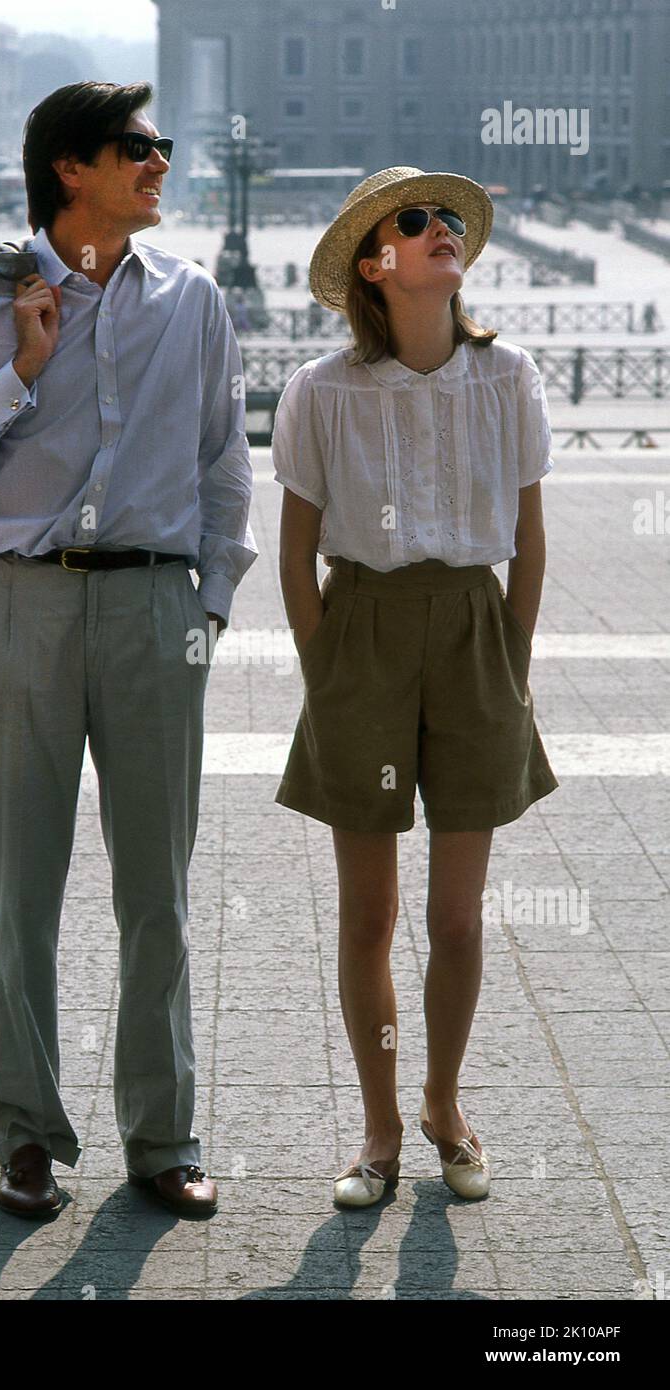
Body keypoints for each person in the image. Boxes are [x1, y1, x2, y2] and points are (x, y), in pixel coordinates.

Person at [0, 81, 257, 1219]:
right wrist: (20, 375)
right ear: (70, 169)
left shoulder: (191, 299)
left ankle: (163, 1135)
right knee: (22, 892)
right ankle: (27, 1137)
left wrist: (208, 605)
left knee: (160, 890)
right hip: (20, 608)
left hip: (154, 610)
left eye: (157, 146)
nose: (158, 162)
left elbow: (221, 461)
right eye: (135, 148)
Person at [271, 166, 558, 1207]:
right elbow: (294, 552)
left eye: (446, 220)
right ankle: (380, 1129)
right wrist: (328, 672)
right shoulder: (319, 389)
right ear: (372, 263)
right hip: (364, 631)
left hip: (474, 630)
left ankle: (443, 1104)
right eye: (412, 221)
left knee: (457, 918)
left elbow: (527, 542)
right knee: (365, 915)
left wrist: (509, 661)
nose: (438, 230)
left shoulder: (507, 373)